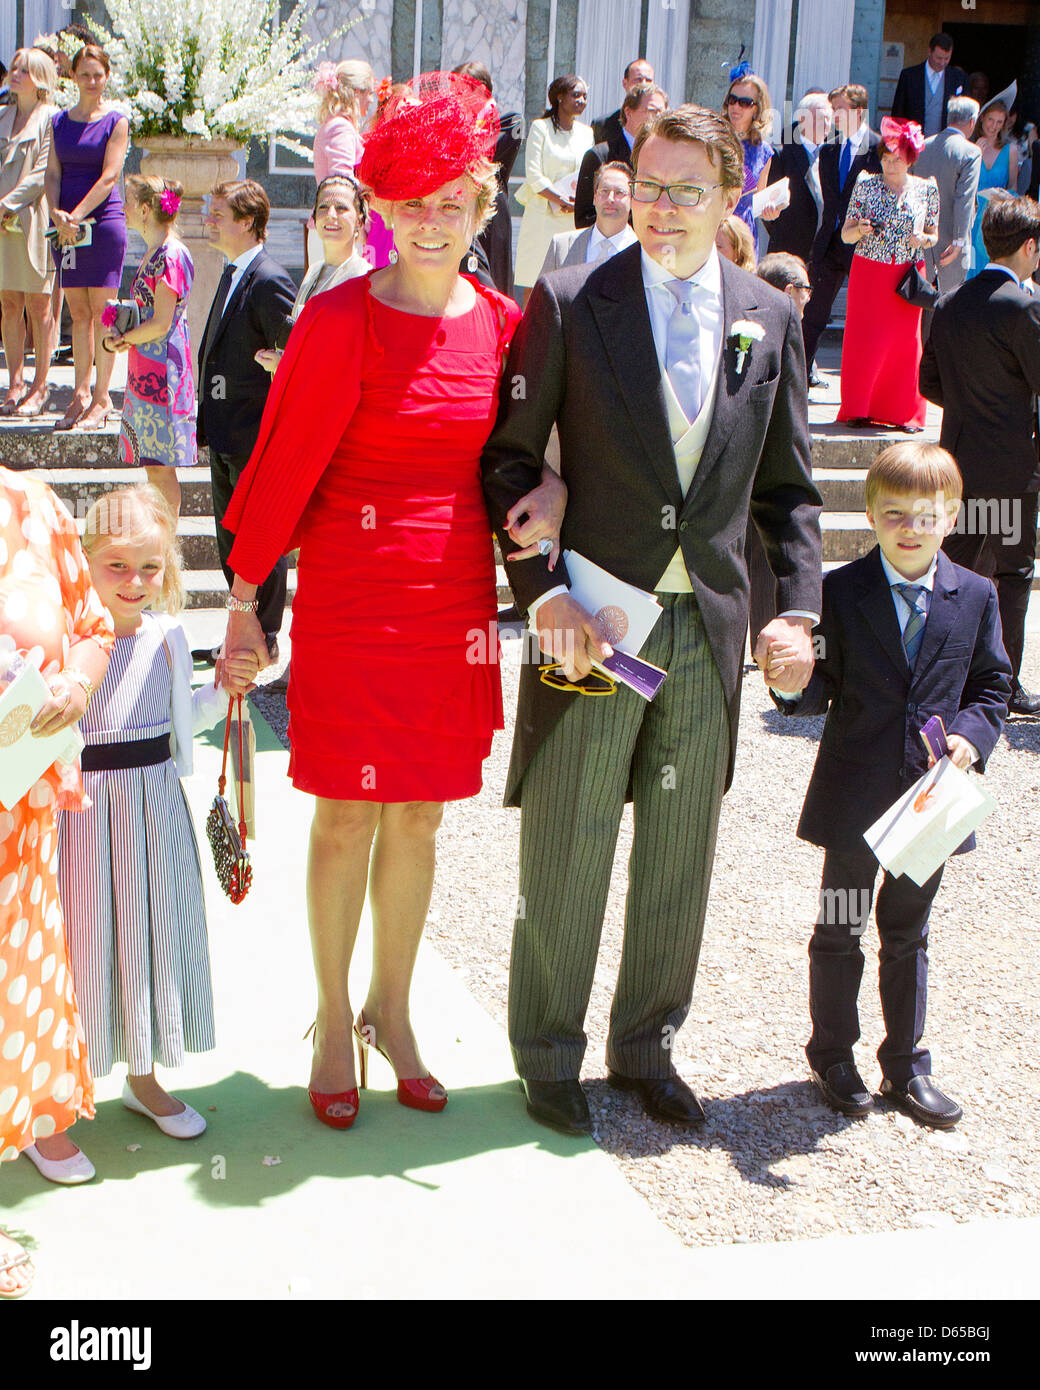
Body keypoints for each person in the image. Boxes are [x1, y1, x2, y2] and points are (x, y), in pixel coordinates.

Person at [217, 72, 563, 1131]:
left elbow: (527, 456)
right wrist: (244, 608)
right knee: (344, 814)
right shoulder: (334, 321)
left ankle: (392, 1013)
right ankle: (329, 1019)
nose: (428, 221)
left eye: (447, 202)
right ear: (379, 208)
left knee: (416, 814)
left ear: (478, 205)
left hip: (451, 602)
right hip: (350, 599)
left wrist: (549, 485)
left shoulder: (503, 324)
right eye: (407, 203)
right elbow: (276, 472)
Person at [481, 105, 823, 1137]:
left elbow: (790, 495)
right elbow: (505, 459)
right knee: (569, 842)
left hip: (708, 625)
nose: (660, 206)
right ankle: (546, 1054)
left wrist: (798, 612)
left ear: (727, 198)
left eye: (685, 189)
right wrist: (540, 593)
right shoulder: (571, 296)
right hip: (593, 617)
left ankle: (645, 1045)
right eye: (646, 181)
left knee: (680, 851)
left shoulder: (768, 314)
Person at [768, 443, 1011, 1128]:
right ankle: (833, 1054)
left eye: (927, 516)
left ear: (951, 516)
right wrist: (792, 686)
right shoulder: (840, 595)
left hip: (929, 797)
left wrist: (973, 734)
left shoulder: (976, 596)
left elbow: (992, 686)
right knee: (840, 927)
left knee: (908, 932)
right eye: (896, 513)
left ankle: (905, 1064)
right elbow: (821, 685)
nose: (911, 527)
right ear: (870, 514)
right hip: (854, 794)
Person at [58, 486, 256, 1151]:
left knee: (151, 938)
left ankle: (142, 1079)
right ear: (84, 562)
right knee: (85, 946)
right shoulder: (63, 644)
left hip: (153, 810)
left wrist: (220, 688)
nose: (135, 581)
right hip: (81, 818)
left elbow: (182, 727)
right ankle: (54, 1092)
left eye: (150, 566)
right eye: (117, 565)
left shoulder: (169, 637)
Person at [0, 467, 113, 1280]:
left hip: (20, 802)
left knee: (15, 990)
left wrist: (74, 681)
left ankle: (26, 1129)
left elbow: (93, 624)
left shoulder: (33, 504)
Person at [920, 194, 1040, 717]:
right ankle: (1002, 684)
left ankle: (941, 674)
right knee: (1012, 574)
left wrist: (973, 403)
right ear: (1030, 247)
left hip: (958, 463)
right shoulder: (1024, 306)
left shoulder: (949, 303)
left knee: (954, 571)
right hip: (1014, 467)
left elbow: (929, 383)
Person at [196, 179, 296, 666]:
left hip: (254, 437)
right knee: (228, 540)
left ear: (247, 222)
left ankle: (268, 636)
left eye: (218, 212)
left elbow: (297, 346)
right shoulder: (233, 271)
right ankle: (241, 627)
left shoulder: (269, 278)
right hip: (224, 435)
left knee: (259, 541)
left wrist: (282, 362)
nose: (208, 219)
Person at [43, 43, 128, 431]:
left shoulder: (115, 122)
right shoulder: (59, 122)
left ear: (106, 77)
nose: (92, 81)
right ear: (73, 77)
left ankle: (102, 397)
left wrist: (75, 216)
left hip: (103, 225)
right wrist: (57, 213)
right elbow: (53, 173)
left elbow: (110, 176)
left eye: (98, 74)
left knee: (102, 313)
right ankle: (79, 393)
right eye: (85, 74)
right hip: (68, 228)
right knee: (78, 313)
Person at [837, 117, 938, 432]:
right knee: (864, 339)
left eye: (896, 159)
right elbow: (845, 234)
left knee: (906, 344)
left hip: (907, 275)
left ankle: (905, 412)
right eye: (885, 158)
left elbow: (934, 234)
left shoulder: (926, 189)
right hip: (869, 271)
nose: (890, 165)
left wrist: (924, 240)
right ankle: (858, 407)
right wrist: (860, 230)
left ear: (910, 158)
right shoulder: (866, 184)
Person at [103, 176, 194, 519]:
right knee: (153, 465)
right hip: (148, 367)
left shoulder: (170, 255)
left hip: (163, 374)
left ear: (144, 209)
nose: (122, 208)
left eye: (126, 202)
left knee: (160, 467)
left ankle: (165, 547)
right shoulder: (157, 253)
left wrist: (126, 338)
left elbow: (161, 322)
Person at [745, 252, 811, 653]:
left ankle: (760, 637)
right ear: (789, 291)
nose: (809, 298)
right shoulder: (765, 327)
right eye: (806, 289)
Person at [799, 84, 882, 381]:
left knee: (865, 320)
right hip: (830, 243)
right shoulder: (830, 148)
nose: (834, 116)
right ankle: (801, 378)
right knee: (813, 315)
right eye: (832, 110)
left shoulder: (878, 147)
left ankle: (864, 384)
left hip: (863, 244)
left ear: (859, 112)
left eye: (840, 109)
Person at [256, 174, 371, 377]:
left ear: (359, 221)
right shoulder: (313, 272)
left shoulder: (363, 278)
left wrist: (283, 364)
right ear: (314, 218)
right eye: (323, 207)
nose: (331, 215)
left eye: (342, 208)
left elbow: (348, 359)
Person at [0, 47, 58, 418]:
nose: (15, 73)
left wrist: (6, 204)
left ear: (40, 81)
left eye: (25, 70)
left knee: (41, 306)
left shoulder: (52, 118)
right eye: (15, 68)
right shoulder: (1, 117)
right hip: (3, 227)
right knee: (8, 304)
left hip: (34, 222)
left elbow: (42, 173)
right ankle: (14, 382)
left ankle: (41, 385)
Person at [513, 75, 594, 306]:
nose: (581, 100)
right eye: (576, 95)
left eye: (585, 96)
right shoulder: (541, 128)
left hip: (571, 218)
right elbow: (534, 175)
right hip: (542, 218)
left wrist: (576, 203)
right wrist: (560, 199)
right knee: (534, 280)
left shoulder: (586, 133)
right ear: (559, 97)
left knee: (565, 281)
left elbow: (586, 173)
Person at [453, 61, 524, 302]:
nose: (462, 95)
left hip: (491, 211)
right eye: (456, 88)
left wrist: (478, 119)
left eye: (469, 88)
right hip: (459, 208)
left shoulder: (508, 123)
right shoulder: (449, 129)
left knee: (494, 275)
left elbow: (482, 156)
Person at [763, 92, 839, 278]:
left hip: (824, 258)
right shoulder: (782, 154)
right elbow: (769, 211)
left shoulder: (834, 156)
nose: (827, 125)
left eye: (830, 119)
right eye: (822, 118)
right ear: (803, 119)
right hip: (789, 253)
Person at [912, 96, 981, 298]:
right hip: (950, 245)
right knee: (949, 305)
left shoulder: (922, 146)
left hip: (921, 240)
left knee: (921, 306)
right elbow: (964, 199)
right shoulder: (970, 152)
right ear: (972, 122)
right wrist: (959, 240)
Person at [573, 83, 666, 229]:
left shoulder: (665, 158)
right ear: (628, 112)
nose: (658, 118)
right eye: (652, 111)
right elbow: (584, 217)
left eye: (662, 113)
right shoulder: (599, 155)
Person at [308, 58, 373, 268]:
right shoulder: (341, 128)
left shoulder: (336, 124)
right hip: (336, 233)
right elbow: (342, 182)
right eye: (368, 92)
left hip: (333, 228)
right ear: (355, 93)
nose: (371, 100)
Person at [540, 161, 636, 274]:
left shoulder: (643, 253)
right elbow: (543, 291)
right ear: (595, 198)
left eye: (619, 192)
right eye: (604, 191)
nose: (610, 198)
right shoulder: (561, 247)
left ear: (632, 200)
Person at [969, 85, 1020, 278]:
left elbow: (1014, 186)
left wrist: (1007, 197)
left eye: (1000, 121)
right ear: (982, 118)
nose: (994, 126)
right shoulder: (970, 147)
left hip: (995, 220)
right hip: (972, 219)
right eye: (991, 119)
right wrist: (975, 153)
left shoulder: (1011, 150)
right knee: (971, 273)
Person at [720, 63, 773, 240]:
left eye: (744, 103)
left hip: (744, 235)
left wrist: (772, 209)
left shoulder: (763, 151)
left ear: (757, 109)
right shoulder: (712, 139)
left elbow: (758, 201)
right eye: (732, 100)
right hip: (713, 228)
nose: (736, 107)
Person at [891, 33, 969, 137]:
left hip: (946, 144)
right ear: (929, 51)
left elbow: (965, 115)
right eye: (939, 58)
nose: (942, 63)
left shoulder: (959, 77)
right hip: (914, 143)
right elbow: (898, 113)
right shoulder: (909, 76)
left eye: (947, 58)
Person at [592, 58, 654, 144]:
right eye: (638, 80)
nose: (644, 84)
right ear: (625, 83)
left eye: (648, 81)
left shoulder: (659, 125)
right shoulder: (603, 125)